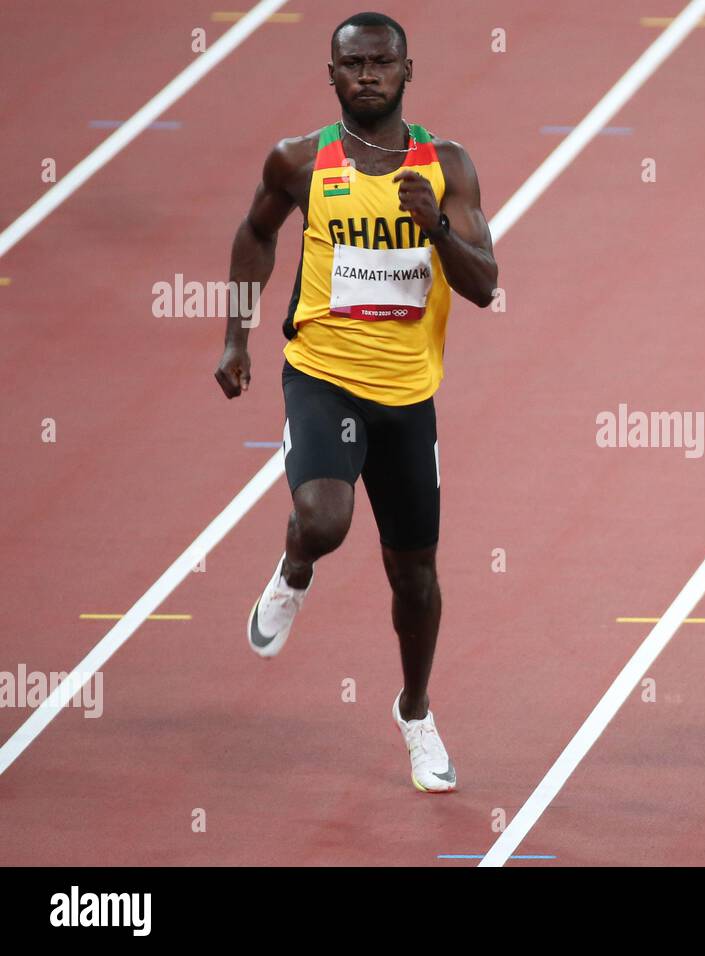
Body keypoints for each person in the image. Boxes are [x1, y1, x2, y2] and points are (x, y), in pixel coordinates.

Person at [213, 11, 498, 793]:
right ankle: (295, 564)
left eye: (381, 63)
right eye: (352, 64)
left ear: (409, 72)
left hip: (408, 397)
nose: (367, 75)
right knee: (325, 518)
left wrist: (435, 225)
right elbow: (255, 234)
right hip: (322, 373)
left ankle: (414, 712)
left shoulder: (448, 166)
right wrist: (236, 337)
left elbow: (484, 285)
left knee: (415, 581)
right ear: (330, 75)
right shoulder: (300, 161)